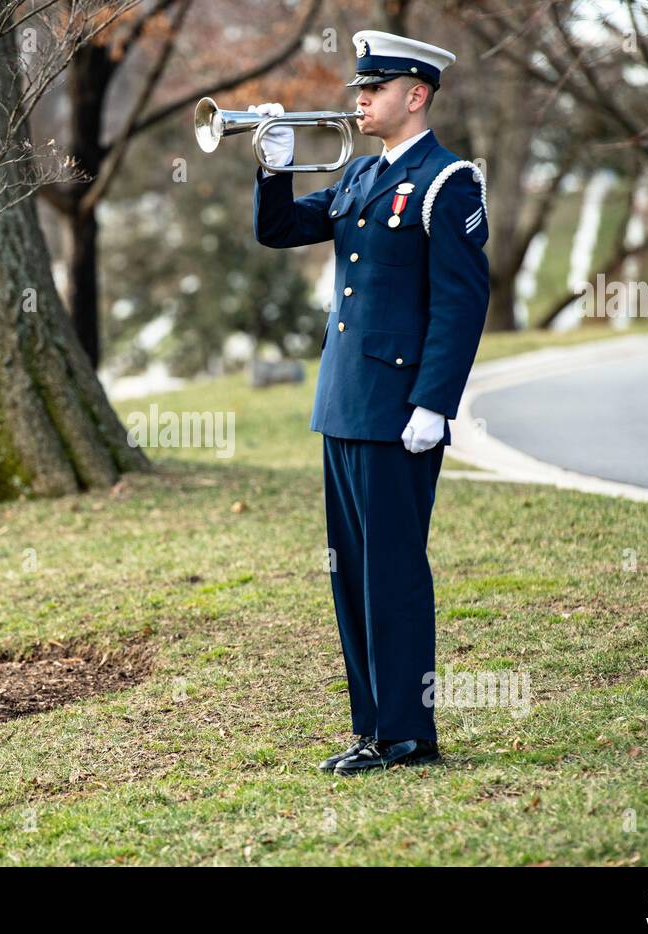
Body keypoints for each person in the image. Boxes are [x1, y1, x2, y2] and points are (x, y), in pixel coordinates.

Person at [250, 30, 490, 775]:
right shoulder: (359, 176)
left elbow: (462, 305)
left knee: (393, 573)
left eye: (374, 89)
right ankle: (373, 730)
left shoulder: (449, 184)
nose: (359, 100)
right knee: (350, 575)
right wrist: (274, 167)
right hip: (344, 404)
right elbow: (280, 229)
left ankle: (410, 734)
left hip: (398, 413)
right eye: (360, 88)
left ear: (415, 96)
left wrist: (434, 404)